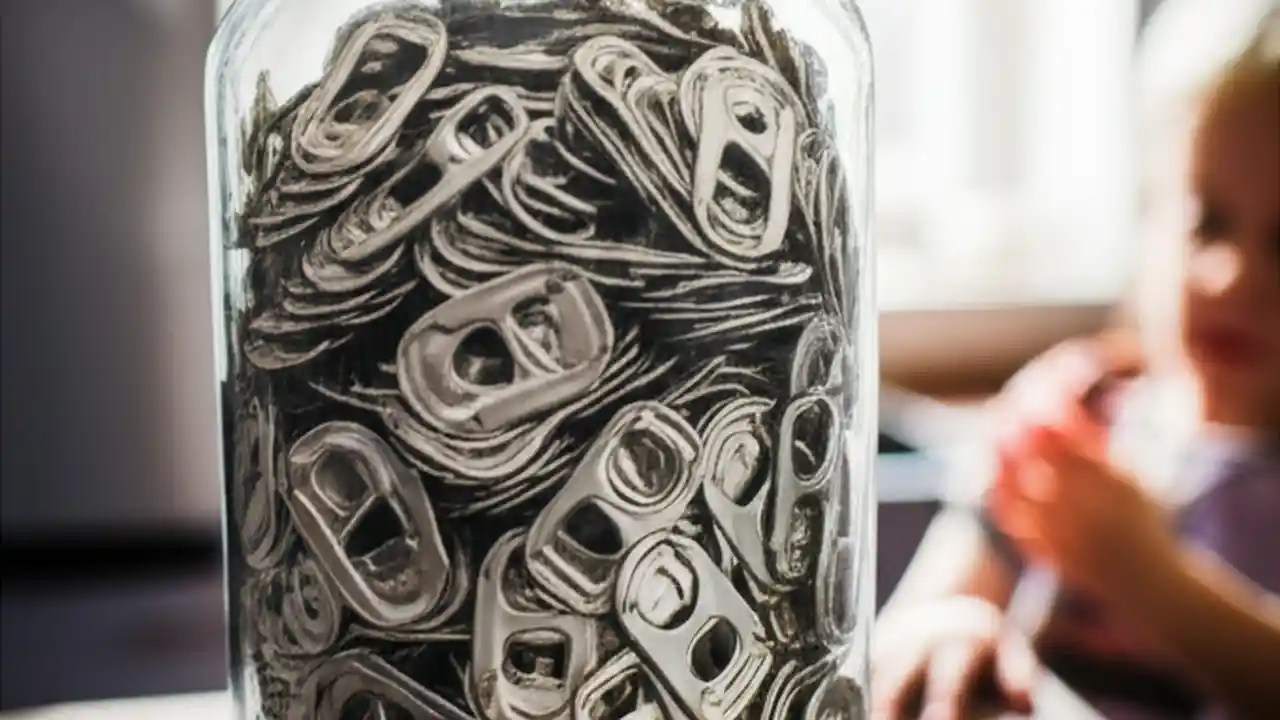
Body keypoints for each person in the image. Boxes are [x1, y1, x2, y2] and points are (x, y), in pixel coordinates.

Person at [872, 4, 1280, 719]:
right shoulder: (1080, 411)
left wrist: (1151, 579)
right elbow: (911, 622)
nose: (1230, 276)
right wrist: (952, 632)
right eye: (1204, 221)